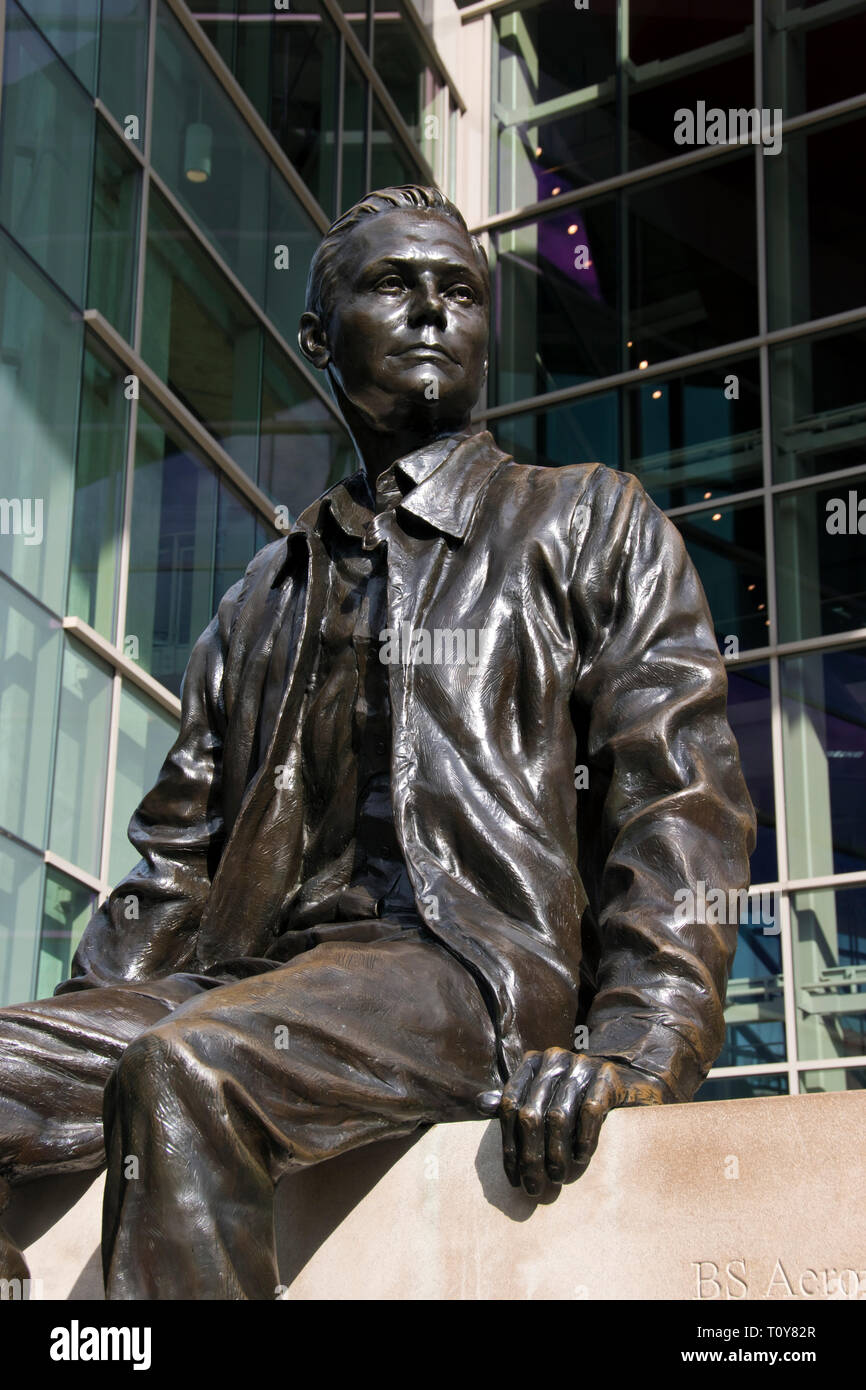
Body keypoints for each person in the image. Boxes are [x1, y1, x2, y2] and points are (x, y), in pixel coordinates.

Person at [0, 186, 755, 1300]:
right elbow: (175, 869)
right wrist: (80, 1036)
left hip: (465, 969)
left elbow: (676, 797)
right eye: (394, 286)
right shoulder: (264, 592)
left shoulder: (586, 519)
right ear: (317, 337)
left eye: (457, 292)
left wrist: (636, 1043)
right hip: (251, 979)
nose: (431, 312)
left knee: (188, 1071)